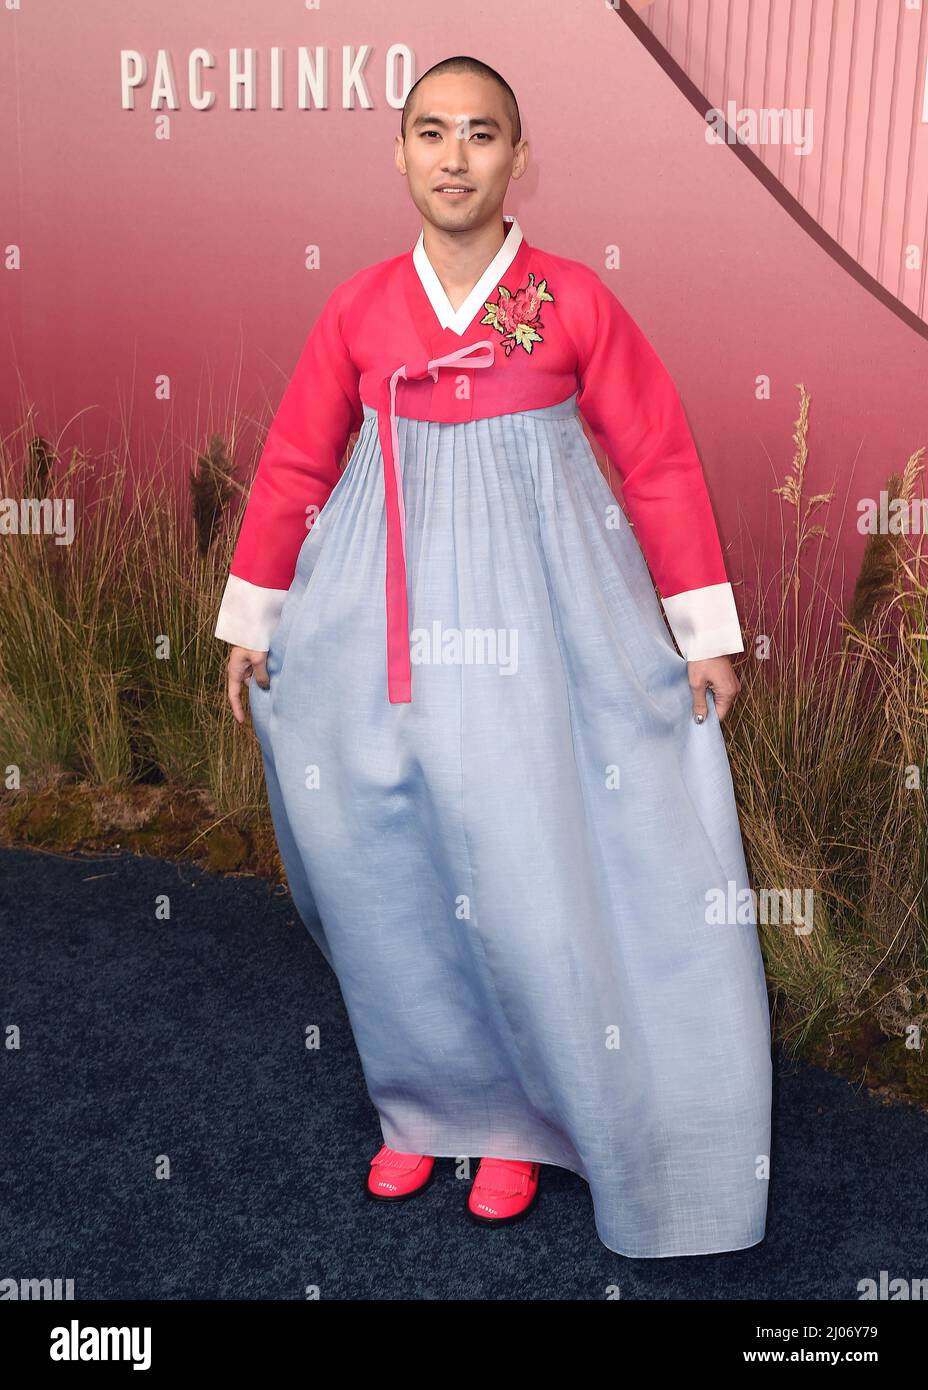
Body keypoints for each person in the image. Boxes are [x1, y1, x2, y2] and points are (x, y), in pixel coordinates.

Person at [215, 55, 773, 1258]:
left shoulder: (570, 299)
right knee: (388, 859)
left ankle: (518, 1125)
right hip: (382, 622)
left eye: (481, 134)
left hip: (542, 629)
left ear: (521, 157)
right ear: (398, 151)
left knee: (522, 862)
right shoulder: (360, 308)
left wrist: (700, 633)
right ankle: (418, 1103)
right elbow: (299, 464)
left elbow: (657, 457)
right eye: (431, 132)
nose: (454, 156)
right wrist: (258, 618)